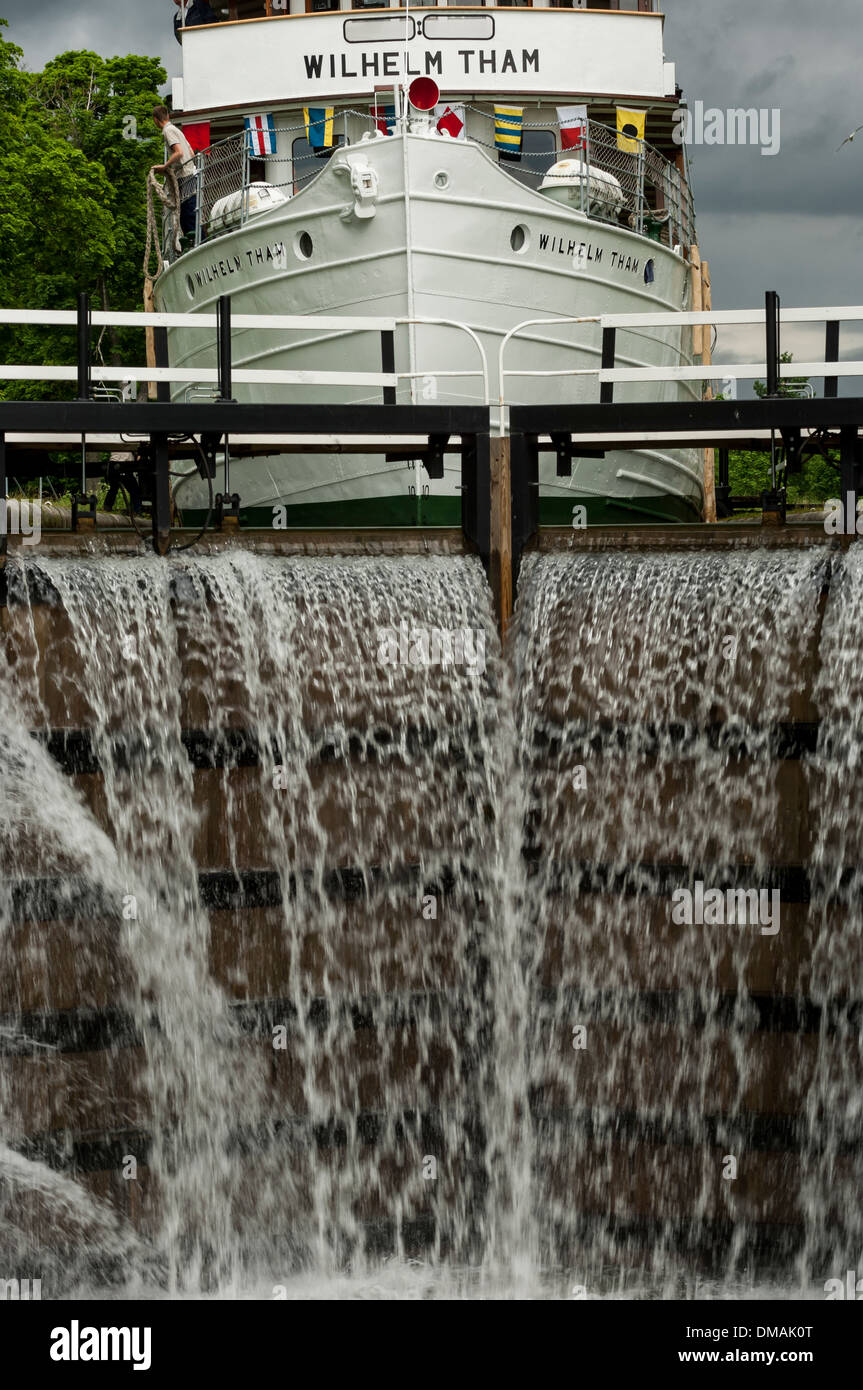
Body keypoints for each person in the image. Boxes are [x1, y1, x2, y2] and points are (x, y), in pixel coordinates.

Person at [152, 105, 199, 244]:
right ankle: (197, 241)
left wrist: (165, 167)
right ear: (167, 116)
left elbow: (179, 152)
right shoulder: (176, 130)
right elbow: (190, 152)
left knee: (187, 214)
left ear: (155, 119)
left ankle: (196, 243)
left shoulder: (168, 131)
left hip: (185, 176)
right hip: (190, 172)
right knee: (189, 212)